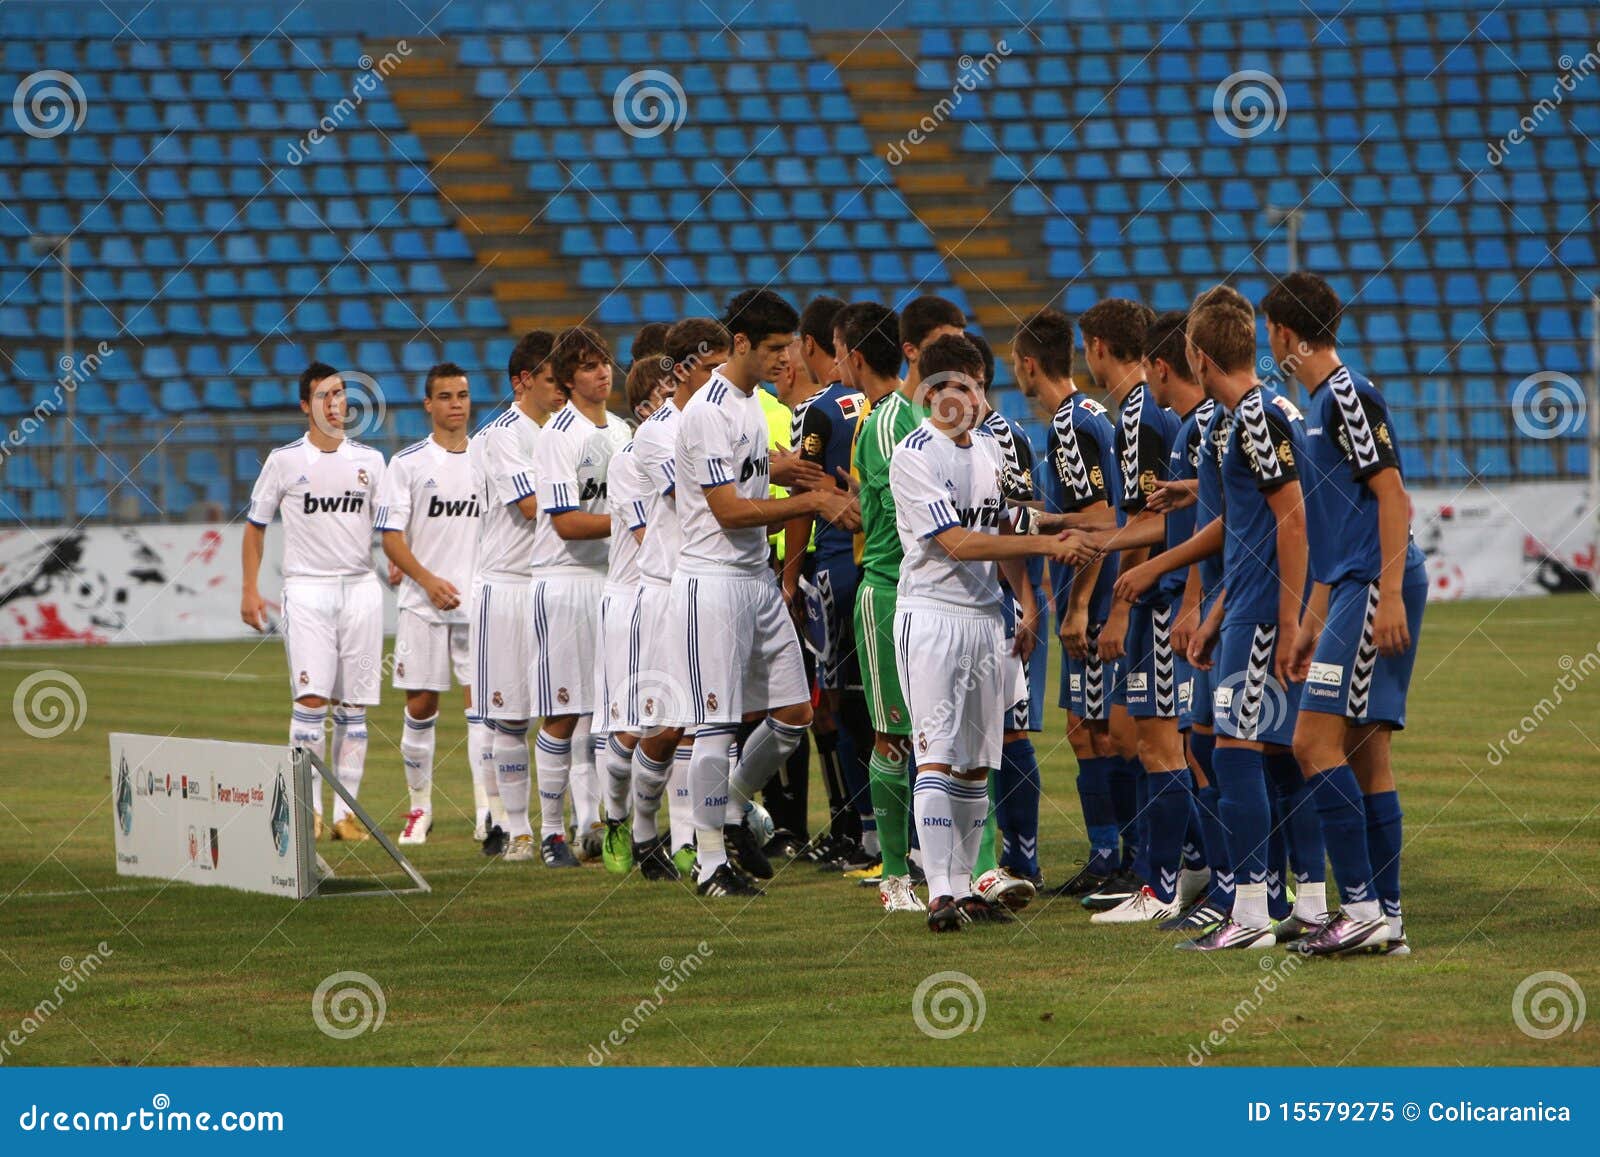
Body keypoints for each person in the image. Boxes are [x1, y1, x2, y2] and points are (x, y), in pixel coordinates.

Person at [1119, 299, 1310, 950]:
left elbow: (1290, 517)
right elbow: (1248, 522)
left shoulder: (1251, 416)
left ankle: (1254, 907)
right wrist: (1213, 601)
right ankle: (1285, 898)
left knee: (1239, 752)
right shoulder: (1248, 417)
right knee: (1229, 748)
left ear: (1197, 357)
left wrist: (1289, 621)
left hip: (1261, 610)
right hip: (1243, 603)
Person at [666, 289, 858, 897]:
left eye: (788, 348)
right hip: (713, 580)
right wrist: (812, 501)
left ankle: (732, 807)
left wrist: (794, 471)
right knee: (715, 726)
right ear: (741, 343)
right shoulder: (705, 411)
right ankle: (709, 863)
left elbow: (750, 470)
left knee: (795, 714)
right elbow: (725, 508)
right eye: (774, 349)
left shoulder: (752, 404)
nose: (787, 360)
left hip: (754, 577)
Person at [887, 334, 1069, 931]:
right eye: (958, 387)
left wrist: (1065, 532)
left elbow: (1010, 521)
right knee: (936, 754)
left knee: (974, 762)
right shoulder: (914, 453)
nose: (972, 398)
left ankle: (966, 887)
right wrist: (1047, 543)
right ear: (933, 395)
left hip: (988, 620)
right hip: (934, 616)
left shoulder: (991, 453)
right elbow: (957, 542)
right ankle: (937, 889)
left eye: (978, 386)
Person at [1267, 272, 1425, 957]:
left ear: (1284, 334)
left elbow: (1393, 497)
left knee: (1311, 743)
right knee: (1365, 752)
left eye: (1270, 331)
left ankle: (1358, 907)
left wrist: (1386, 594)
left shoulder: (1347, 397)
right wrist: (1311, 618)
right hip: (1352, 583)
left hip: (1373, 583)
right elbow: (1337, 524)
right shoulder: (1318, 407)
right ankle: (1385, 919)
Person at [241, 363, 386, 842]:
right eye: (323, 395)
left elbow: (389, 528)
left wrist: (402, 562)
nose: (334, 403)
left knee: (354, 706)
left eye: (340, 393)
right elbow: (256, 527)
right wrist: (249, 588)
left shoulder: (371, 461)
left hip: (361, 590)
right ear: (306, 406)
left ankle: (347, 813)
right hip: (306, 590)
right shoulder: (284, 461)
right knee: (310, 701)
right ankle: (310, 809)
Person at [1012, 308, 1122, 899]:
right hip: (1103, 593)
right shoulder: (1093, 415)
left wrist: (1078, 605)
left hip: (1099, 598)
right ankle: (1121, 856)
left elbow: (1102, 520)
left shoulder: (1069, 426)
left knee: (1093, 729)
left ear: (1030, 364)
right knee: (1099, 728)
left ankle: (1116, 857)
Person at [627, 317, 731, 880]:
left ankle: (704, 837)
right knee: (670, 726)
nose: (722, 376)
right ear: (686, 367)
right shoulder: (657, 432)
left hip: (716, 580)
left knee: (713, 721)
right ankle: (646, 830)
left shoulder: (718, 419)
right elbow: (692, 493)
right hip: (669, 587)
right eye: (713, 365)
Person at [528, 326, 632, 866]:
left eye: (605, 363)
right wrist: (632, 519)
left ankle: (594, 824)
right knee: (564, 711)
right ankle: (551, 833)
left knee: (609, 713)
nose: (602, 373)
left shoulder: (622, 430)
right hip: (564, 581)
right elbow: (567, 524)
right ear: (568, 379)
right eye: (589, 366)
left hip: (614, 580)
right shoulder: (555, 435)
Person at [375, 363, 484, 846]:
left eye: (462, 394)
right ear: (428, 404)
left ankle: (489, 812)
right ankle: (419, 808)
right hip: (423, 605)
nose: (455, 404)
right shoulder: (407, 464)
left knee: (484, 712)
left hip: (478, 605)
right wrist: (427, 579)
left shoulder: (488, 458)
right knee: (420, 709)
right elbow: (391, 539)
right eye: (445, 396)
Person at [969, 331, 1047, 898]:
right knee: (961, 736)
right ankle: (968, 859)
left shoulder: (1002, 436)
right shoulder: (946, 440)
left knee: (1009, 728)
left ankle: (1022, 858)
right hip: (950, 607)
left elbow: (1025, 517)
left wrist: (1029, 601)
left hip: (998, 604)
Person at [469, 332, 552, 861]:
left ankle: (570, 828)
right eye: (552, 380)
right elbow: (529, 507)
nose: (563, 390)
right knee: (510, 715)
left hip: (557, 582)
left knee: (575, 714)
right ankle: (517, 829)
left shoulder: (572, 432)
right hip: (507, 587)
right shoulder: (501, 435)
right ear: (522, 382)